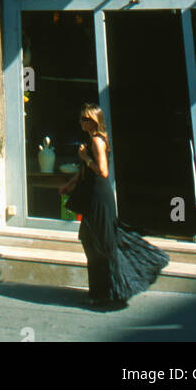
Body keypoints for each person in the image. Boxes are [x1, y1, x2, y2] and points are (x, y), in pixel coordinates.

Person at [60, 103, 169, 310]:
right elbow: (85, 169)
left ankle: (104, 292)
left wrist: (84, 157)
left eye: (84, 119)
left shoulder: (97, 141)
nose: (80, 122)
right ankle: (100, 291)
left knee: (98, 242)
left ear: (93, 121)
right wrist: (69, 184)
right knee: (91, 240)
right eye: (81, 118)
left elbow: (103, 171)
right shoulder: (93, 140)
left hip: (99, 197)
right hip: (94, 196)